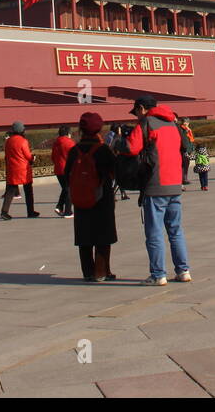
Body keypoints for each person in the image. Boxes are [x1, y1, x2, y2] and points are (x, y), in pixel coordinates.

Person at [125, 96, 191, 285]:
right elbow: (183, 146)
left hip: (155, 185)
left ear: (142, 108)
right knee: (176, 230)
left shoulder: (146, 123)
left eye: (136, 112)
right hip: (175, 184)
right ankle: (183, 270)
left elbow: (131, 147)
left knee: (154, 232)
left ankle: (158, 274)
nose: (136, 116)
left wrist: (118, 143)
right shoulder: (172, 123)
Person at [68, 112, 117, 281]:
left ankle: (87, 272)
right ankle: (101, 272)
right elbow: (114, 170)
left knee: (84, 235)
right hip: (102, 197)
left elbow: (67, 173)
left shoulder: (74, 150)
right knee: (103, 235)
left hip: (81, 197)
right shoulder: (103, 150)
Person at [2, 121, 39, 219]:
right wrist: (33, 158)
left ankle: (4, 211)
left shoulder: (8, 141)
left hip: (12, 168)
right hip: (23, 170)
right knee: (28, 191)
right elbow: (27, 155)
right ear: (22, 130)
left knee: (10, 191)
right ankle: (30, 211)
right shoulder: (23, 141)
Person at [50, 126, 76, 218]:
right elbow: (75, 156)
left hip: (58, 169)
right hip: (67, 169)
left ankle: (60, 207)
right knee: (69, 189)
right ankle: (68, 211)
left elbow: (53, 157)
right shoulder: (70, 143)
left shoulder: (55, 143)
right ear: (68, 133)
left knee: (65, 189)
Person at [179, 116, 196, 186]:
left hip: (188, 150)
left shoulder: (188, 130)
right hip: (183, 150)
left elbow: (191, 140)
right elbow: (183, 140)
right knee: (183, 164)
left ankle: (185, 178)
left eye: (187, 122)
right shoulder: (181, 129)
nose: (185, 123)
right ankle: (183, 179)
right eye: (184, 122)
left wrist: (192, 149)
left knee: (186, 164)